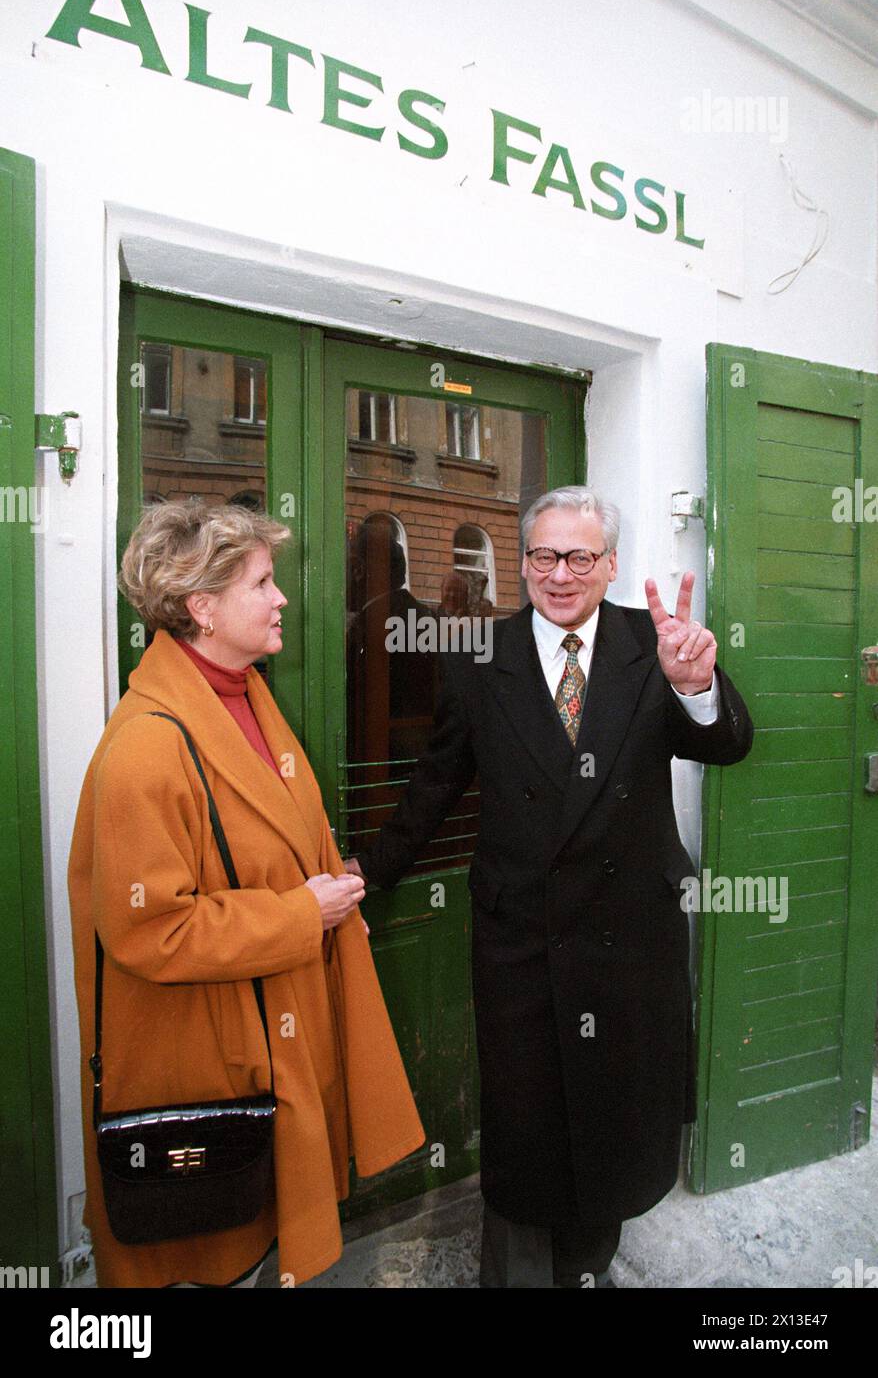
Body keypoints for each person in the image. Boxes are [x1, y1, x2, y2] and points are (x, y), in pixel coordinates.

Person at [345, 485, 753, 1288]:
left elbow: (729, 745)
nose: (559, 575)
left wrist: (694, 687)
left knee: (609, 1119)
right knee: (529, 1124)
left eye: (579, 557)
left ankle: (586, 1267)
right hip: (521, 941)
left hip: (629, 939)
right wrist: (371, 867)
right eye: (542, 555)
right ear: (524, 560)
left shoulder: (658, 644)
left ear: (609, 565)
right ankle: (523, 1273)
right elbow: (436, 785)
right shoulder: (478, 659)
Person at [68, 500, 424, 1288]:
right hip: (217, 1056)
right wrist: (306, 913)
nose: (282, 597)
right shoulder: (144, 748)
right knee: (220, 1256)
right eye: (263, 582)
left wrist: (334, 890)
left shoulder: (244, 695)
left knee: (269, 1248)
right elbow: (149, 932)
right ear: (202, 607)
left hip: (274, 1027)